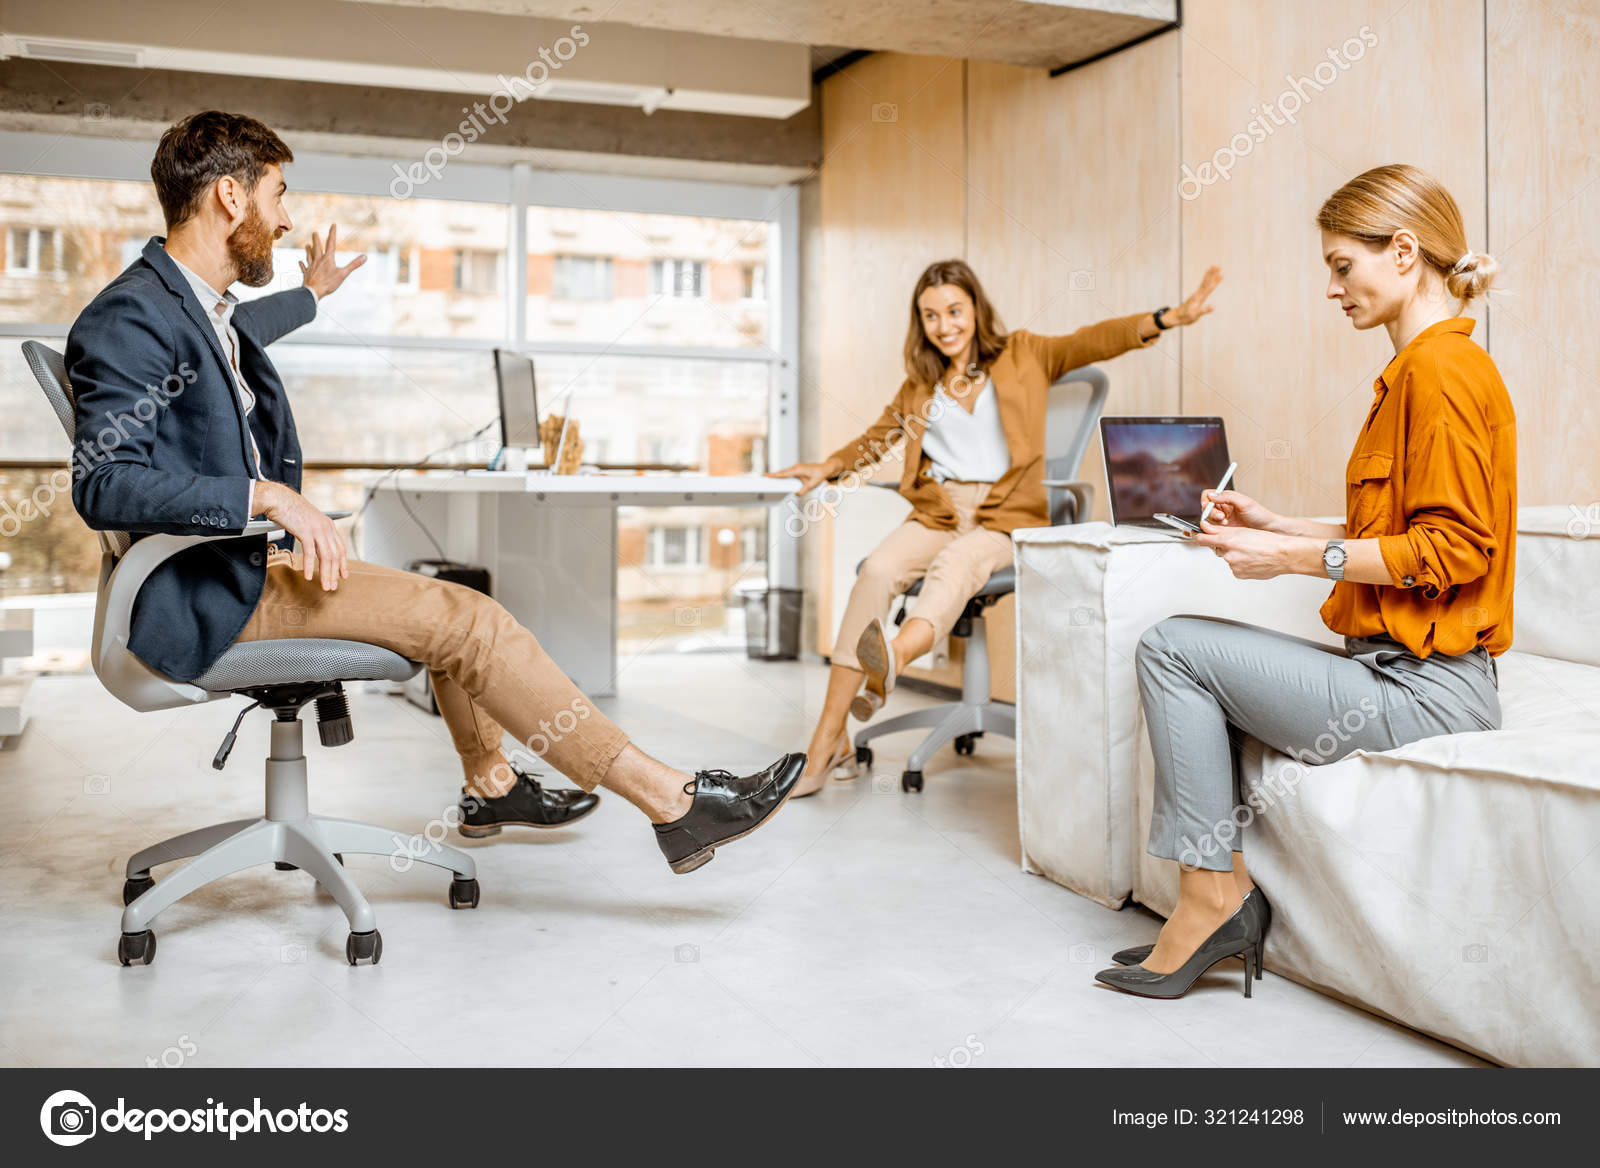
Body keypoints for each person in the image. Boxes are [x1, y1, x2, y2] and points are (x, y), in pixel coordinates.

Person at [66, 110, 802, 875]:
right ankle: (675, 804)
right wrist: (268, 497)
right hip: (209, 594)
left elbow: (236, 335)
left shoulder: (191, 308)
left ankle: (491, 783)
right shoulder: (130, 316)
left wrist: (312, 294)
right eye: (279, 195)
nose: (286, 220)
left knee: (452, 602)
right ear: (229, 196)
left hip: (240, 570)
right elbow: (103, 483)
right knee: (470, 622)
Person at [1096, 164, 1513, 998]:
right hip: (1399, 672)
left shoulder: (1440, 376)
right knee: (1181, 647)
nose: (1331, 287)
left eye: (1341, 266)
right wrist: (1279, 525)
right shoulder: (1423, 370)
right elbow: (1394, 533)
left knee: (1174, 649)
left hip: (1429, 689)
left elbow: (1456, 549)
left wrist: (1289, 560)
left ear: (1403, 252)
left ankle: (1213, 898)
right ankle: (1214, 897)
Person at [770, 258, 1222, 796]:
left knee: (957, 566)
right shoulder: (920, 384)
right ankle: (829, 735)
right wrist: (825, 468)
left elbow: (1095, 341)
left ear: (975, 309)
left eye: (955, 311)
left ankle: (896, 655)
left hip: (1004, 516)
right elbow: (876, 440)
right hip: (940, 509)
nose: (945, 326)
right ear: (921, 322)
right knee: (877, 570)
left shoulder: (1025, 353)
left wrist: (1169, 317)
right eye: (931, 316)